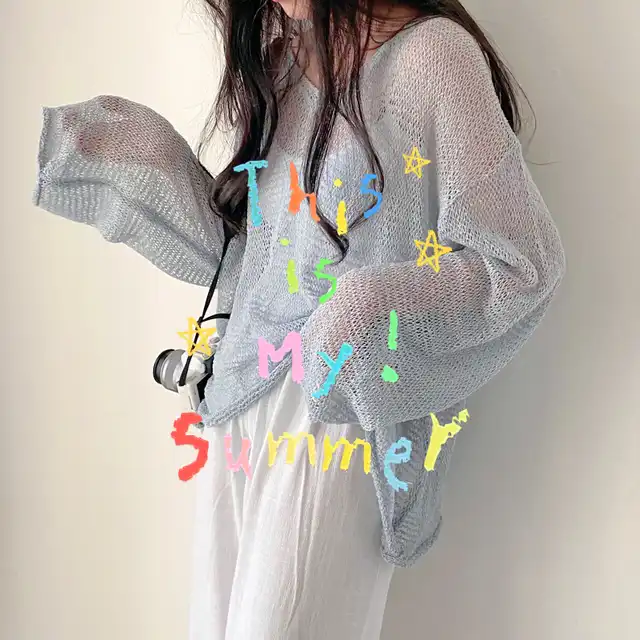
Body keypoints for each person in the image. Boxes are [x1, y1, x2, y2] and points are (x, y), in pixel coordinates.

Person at [32, 0, 566, 638]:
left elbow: (521, 264)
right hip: (237, 408)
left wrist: (364, 314)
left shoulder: (433, 58)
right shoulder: (283, 59)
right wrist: (152, 170)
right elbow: (263, 267)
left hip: (339, 422)